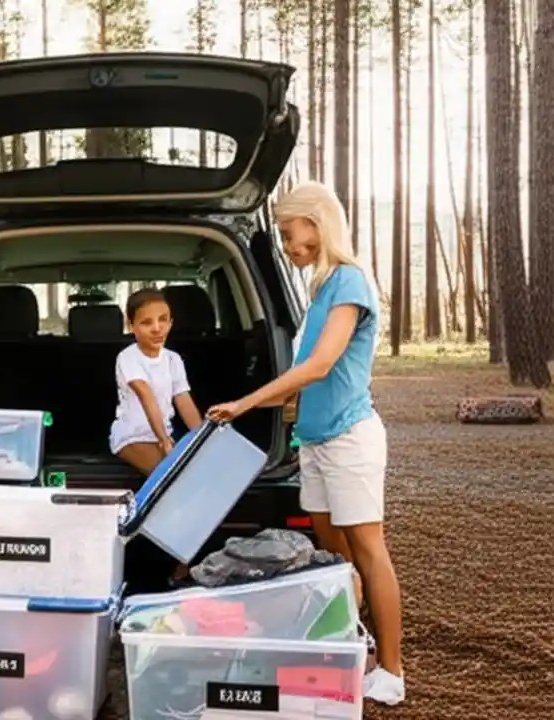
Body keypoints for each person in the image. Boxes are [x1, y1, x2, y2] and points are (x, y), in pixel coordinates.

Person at [206, 181, 404, 706]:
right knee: (331, 558)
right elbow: (298, 379)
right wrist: (234, 410)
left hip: (348, 440)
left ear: (318, 222)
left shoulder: (350, 283)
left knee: (367, 551)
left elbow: (317, 367)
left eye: (292, 235)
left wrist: (247, 402)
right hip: (314, 443)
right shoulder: (319, 290)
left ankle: (392, 670)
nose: (290, 248)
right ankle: (348, 648)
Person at [109, 288, 203, 475]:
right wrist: (164, 442)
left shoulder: (173, 359)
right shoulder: (128, 357)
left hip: (162, 434)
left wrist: (201, 438)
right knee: (172, 476)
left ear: (171, 322)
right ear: (131, 325)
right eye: (146, 322)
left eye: (163, 320)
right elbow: (146, 395)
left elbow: (183, 400)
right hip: (132, 437)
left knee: (193, 470)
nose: (157, 328)